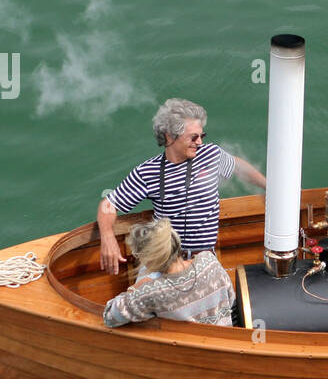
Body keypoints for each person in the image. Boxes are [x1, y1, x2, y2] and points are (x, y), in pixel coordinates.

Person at [97, 99, 266, 274]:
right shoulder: (147, 172)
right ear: (170, 136)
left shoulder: (211, 155)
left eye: (202, 136)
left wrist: (268, 186)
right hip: (165, 261)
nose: (200, 142)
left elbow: (238, 167)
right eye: (193, 137)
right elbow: (108, 205)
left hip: (204, 260)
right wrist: (108, 237)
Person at [102, 218, 235, 327]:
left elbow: (110, 317)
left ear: (149, 259)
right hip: (225, 343)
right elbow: (232, 299)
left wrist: (134, 289)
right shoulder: (209, 260)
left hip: (189, 356)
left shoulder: (151, 292)